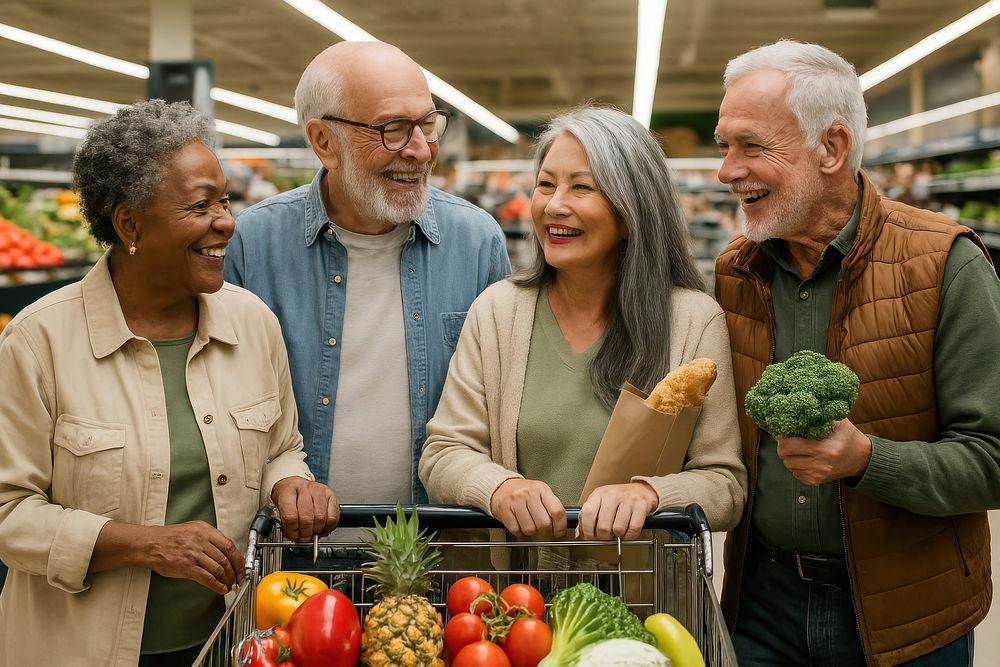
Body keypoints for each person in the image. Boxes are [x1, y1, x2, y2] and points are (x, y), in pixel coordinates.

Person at [0, 100, 339, 666]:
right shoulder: (39, 343)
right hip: (82, 650)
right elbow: (9, 512)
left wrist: (290, 483)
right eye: (200, 205)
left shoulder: (252, 323)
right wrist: (145, 544)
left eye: (225, 201)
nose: (226, 221)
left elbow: (282, 446)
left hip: (229, 641)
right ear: (130, 224)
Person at [713, 40, 1000, 666]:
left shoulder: (945, 265)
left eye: (751, 146)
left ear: (832, 147)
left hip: (910, 619)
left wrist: (869, 460)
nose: (726, 171)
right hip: (760, 612)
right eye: (724, 146)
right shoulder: (735, 273)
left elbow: (993, 458)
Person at [419, 106, 746, 540]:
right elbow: (444, 453)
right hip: (517, 581)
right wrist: (498, 488)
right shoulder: (498, 311)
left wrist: (651, 495)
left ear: (631, 211)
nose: (555, 205)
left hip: (639, 581)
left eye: (581, 187)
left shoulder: (692, 321)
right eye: (546, 185)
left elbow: (725, 484)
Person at [224, 41, 510, 509]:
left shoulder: (477, 242)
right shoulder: (253, 246)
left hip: (439, 540)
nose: (420, 150)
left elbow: (500, 407)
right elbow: (225, 408)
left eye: (428, 124)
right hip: (292, 543)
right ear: (323, 142)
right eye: (393, 129)